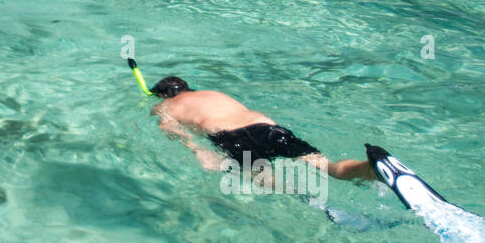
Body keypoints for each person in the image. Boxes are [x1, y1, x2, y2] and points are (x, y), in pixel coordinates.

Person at [149, 76, 376, 183]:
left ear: (161, 95)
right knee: (325, 165)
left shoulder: (165, 106)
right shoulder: (212, 93)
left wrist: (199, 151)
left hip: (234, 138)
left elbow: (172, 131)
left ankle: (305, 196)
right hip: (268, 127)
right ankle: (368, 168)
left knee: (262, 178)